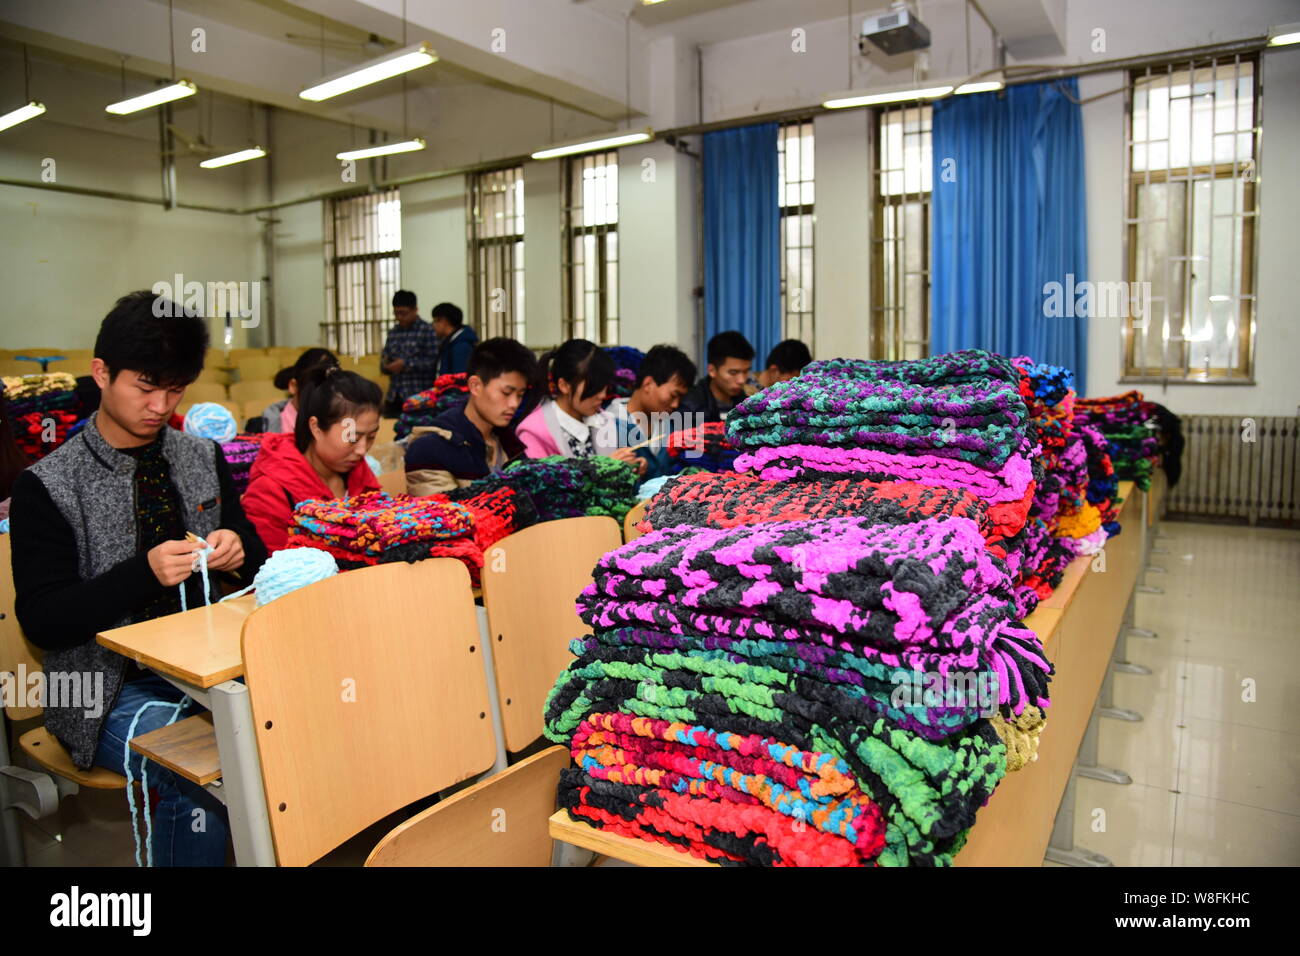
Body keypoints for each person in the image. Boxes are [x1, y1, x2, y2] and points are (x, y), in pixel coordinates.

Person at [8, 290, 267, 867]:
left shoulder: (199, 455)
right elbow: (45, 620)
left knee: (288, 719)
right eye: (146, 387)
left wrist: (236, 548)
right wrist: (142, 573)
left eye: (175, 390)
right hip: (101, 687)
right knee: (198, 761)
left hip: (213, 664)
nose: (160, 405)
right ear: (101, 373)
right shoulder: (49, 485)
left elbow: (256, 555)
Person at [242, 366, 382, 553]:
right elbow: (273, 572)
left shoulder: (361, 475)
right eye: (353, 437)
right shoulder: (271, 490)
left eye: (371, 437)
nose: (362, 449)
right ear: (316, 427)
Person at [403, 337, 536, 494]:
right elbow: (444, 516)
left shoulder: (509, 443)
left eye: (520, 395)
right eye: (506, 392)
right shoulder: (430, 449)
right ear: (475, 386)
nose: (514, 403)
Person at [515, 338, 642, 473]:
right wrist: (606, 469)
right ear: (564, 385)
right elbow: (543, 488)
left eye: (605, 387)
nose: (602, 395)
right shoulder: (534, 432)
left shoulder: (605, 420)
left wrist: (629, 469)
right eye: (594, 387)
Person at [602, 344, 696, 480]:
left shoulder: (671, 425)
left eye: (681, 398)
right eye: (673, 395)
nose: (676, 404)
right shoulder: (608, 425)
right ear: (648, 384)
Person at [380, 290, 438, 417]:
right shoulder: (393, 332)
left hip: (419, 396)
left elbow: (433, 362)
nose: (400, 317)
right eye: (396, 313)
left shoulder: (427, 330)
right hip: (394, 396)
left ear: (415, 310)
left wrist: (406, 364)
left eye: (404, 313)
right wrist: (387, 366)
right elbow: (384, 359)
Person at [679, 330, 755, 423]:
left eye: (746, 371)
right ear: (712, 370)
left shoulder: (747, 404)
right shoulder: (690, 407)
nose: (741, 380)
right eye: (733, 372)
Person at [261, 347, 338, 433]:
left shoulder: (340, 423)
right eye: (314, 387)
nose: (323, 396)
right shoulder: (269, 427)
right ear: (293, 386)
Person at [430, 302, 478, 376]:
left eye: (435, 321)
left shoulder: (461, 346)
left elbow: (460, 379)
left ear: (444, 321)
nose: (432, 325)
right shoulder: (450, 343)